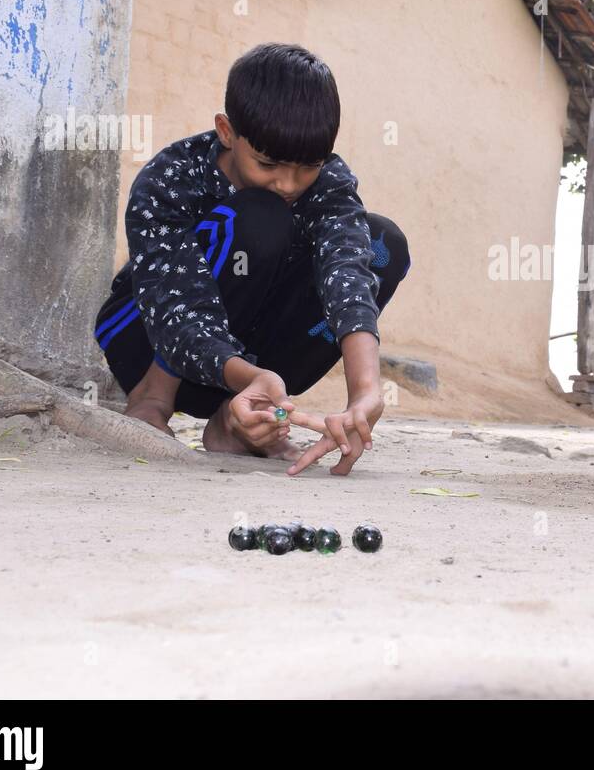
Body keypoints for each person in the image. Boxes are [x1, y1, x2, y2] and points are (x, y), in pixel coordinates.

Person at [94, 43, 409, 476]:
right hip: (145, 341)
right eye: (268, 163)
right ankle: (152, 398)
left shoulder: (330, 183)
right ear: (227, 132)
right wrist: (245, 375)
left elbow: (346, 272)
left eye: (308, 167)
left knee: (382, 243)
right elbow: (174, 297)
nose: (288, 182)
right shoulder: (172, 176)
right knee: (261, 216)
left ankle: (238, 421)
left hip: (251, 375)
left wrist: (365, 393)